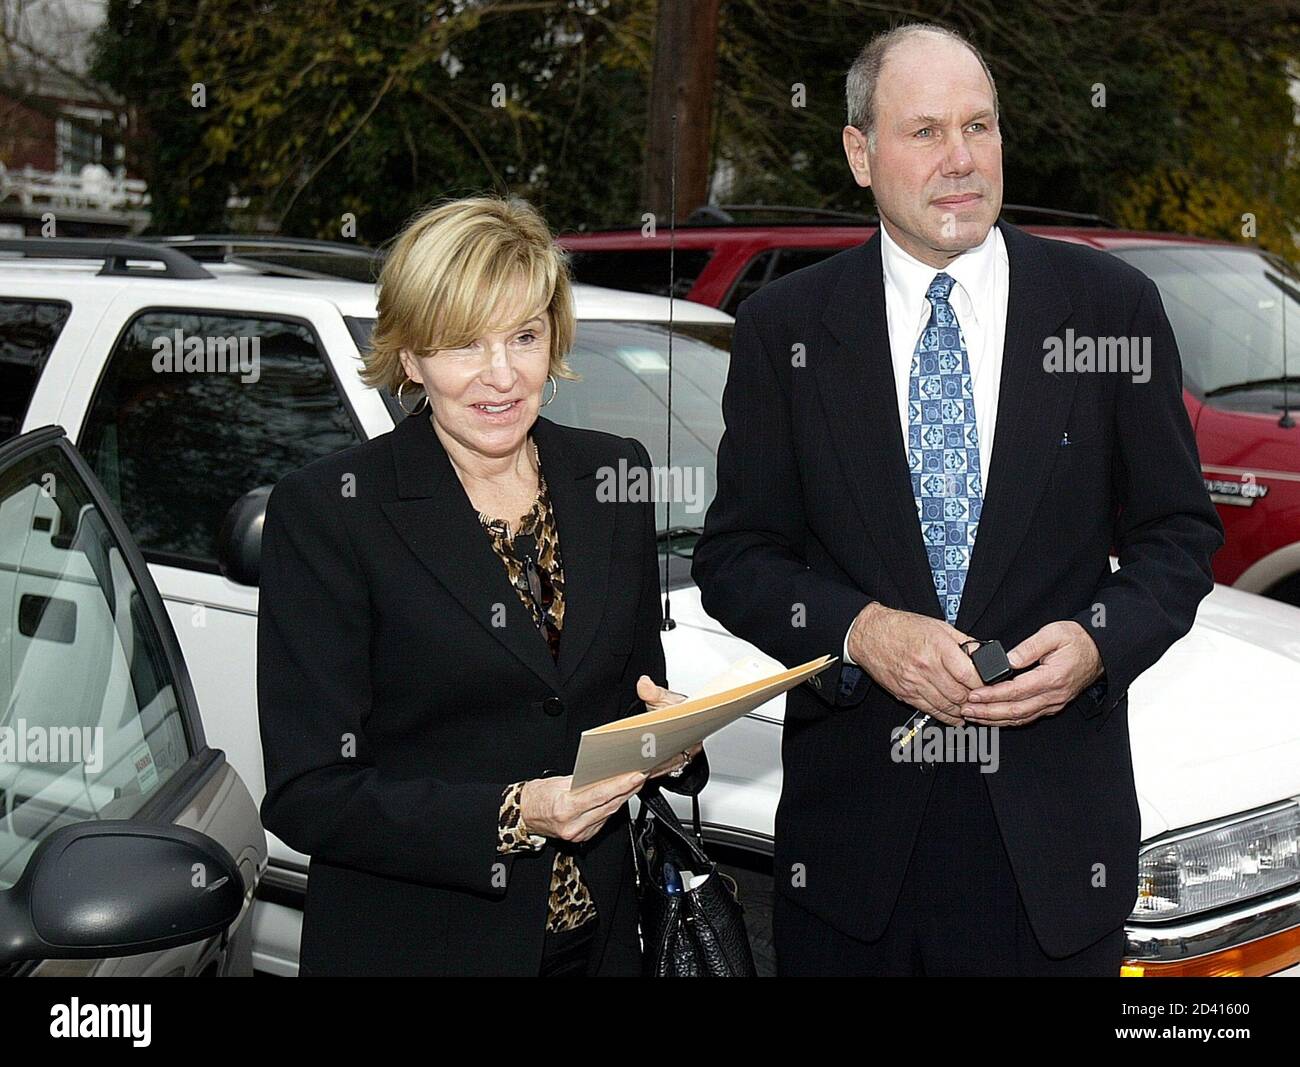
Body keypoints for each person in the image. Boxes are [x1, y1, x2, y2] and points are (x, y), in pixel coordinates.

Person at [691, 23, 1223, 976]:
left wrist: (1099, 642)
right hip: (856, 863)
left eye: (980, 127)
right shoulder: (785, 329)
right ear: (859, 152)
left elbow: (1178, 535)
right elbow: (737, 558)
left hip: (1054, 856)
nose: (962, 160)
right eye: (926, 131)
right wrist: (861, 633)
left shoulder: (1110, 310)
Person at [257, 194, 705, 977]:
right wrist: (518, 812)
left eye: (525, 337)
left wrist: (672, 739)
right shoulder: (331, 511)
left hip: (597, 944)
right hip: (420, 947)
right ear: (410, 357)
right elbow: (310, 792)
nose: (502, 376)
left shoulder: (613, 473)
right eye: (465, 344)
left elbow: (633, 692)